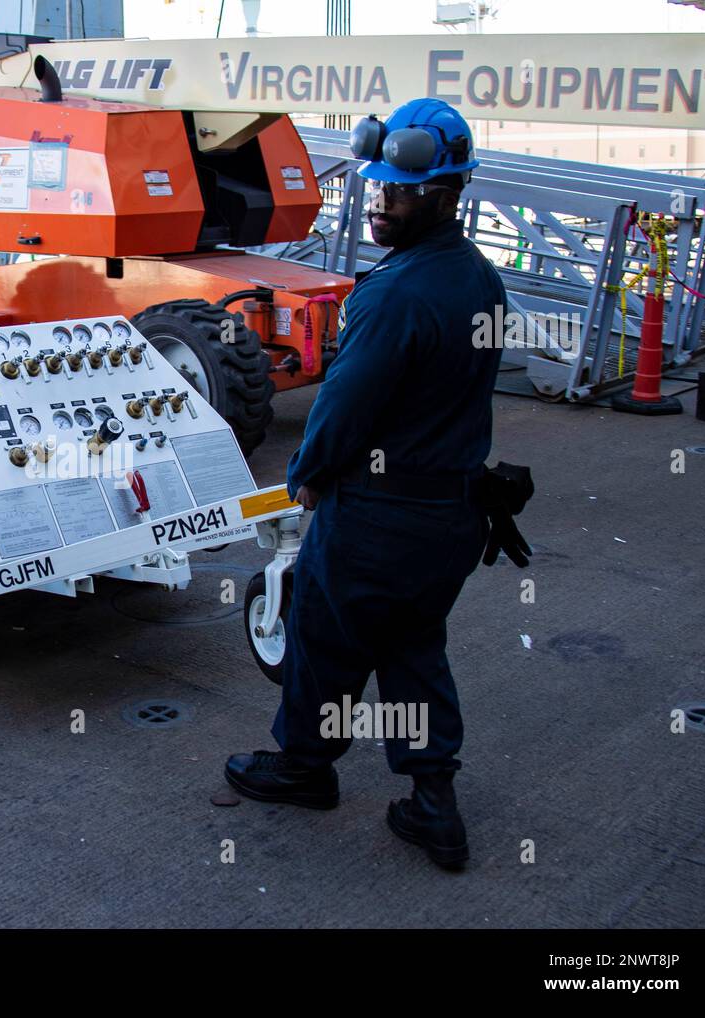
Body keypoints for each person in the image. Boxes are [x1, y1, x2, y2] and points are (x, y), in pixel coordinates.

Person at [223, 98, 505, 871]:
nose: (380, 202)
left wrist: (308, 475)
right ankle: (433, 802)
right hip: (450, 516)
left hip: (379, 518)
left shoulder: (393, 295)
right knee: (414, 647)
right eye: (376, 188)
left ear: (446, 195)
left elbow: (344, 407)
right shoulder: (479, 281)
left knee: (325, 637)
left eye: (400, 193)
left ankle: (306, 769)